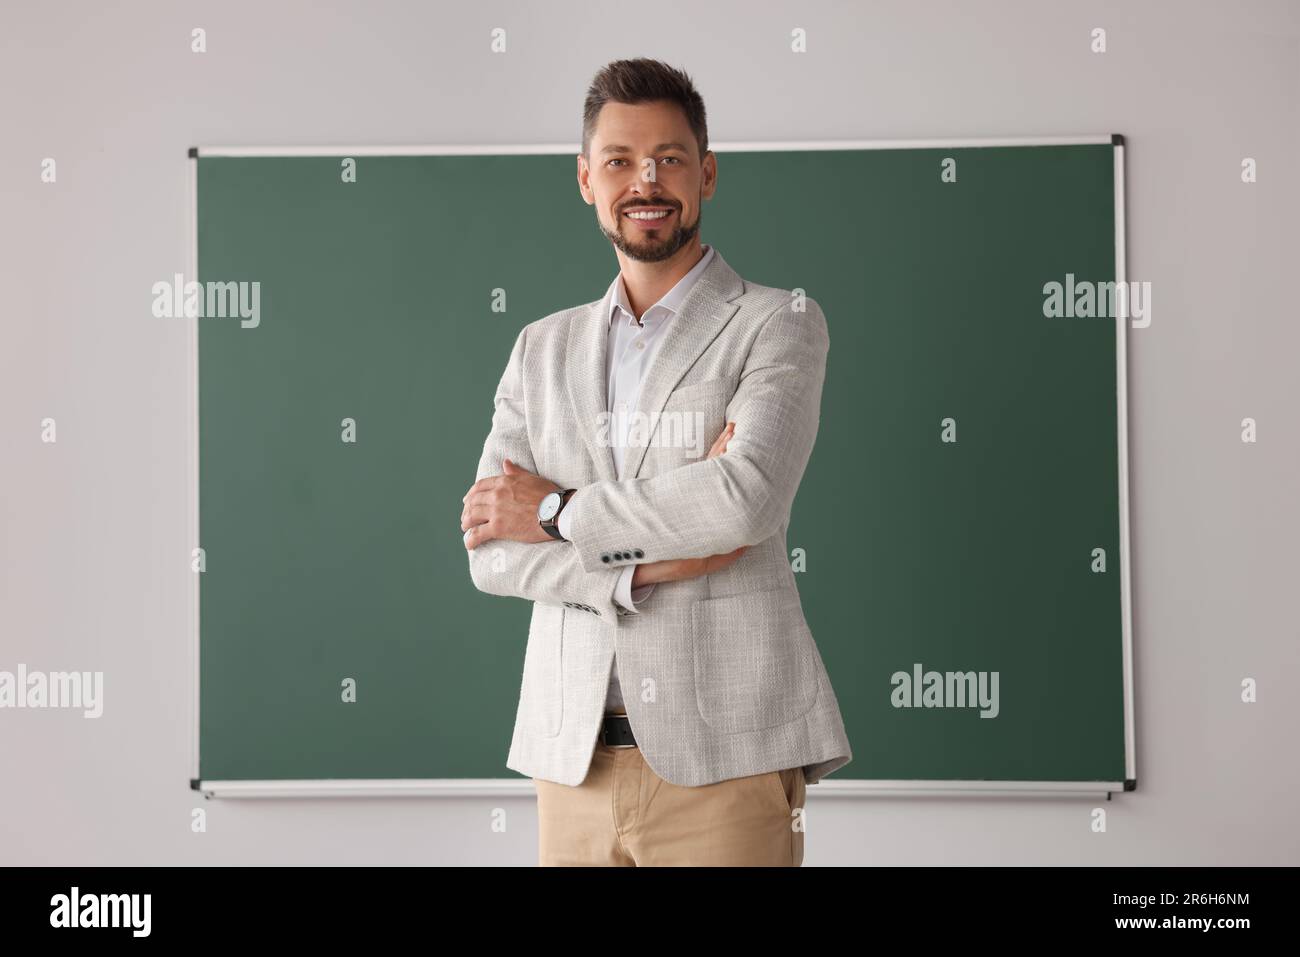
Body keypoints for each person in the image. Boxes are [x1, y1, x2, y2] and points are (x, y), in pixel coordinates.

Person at [462, 58, 851, 866]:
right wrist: (646, 568)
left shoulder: (776, 324)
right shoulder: (541, 347)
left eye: (669, 157)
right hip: (571, 764)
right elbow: (492, 554)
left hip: (727, 761)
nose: (646, 180)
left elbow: (741, 502)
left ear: (706, 172)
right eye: (619, 160)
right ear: (585, 179)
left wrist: (556, 513)